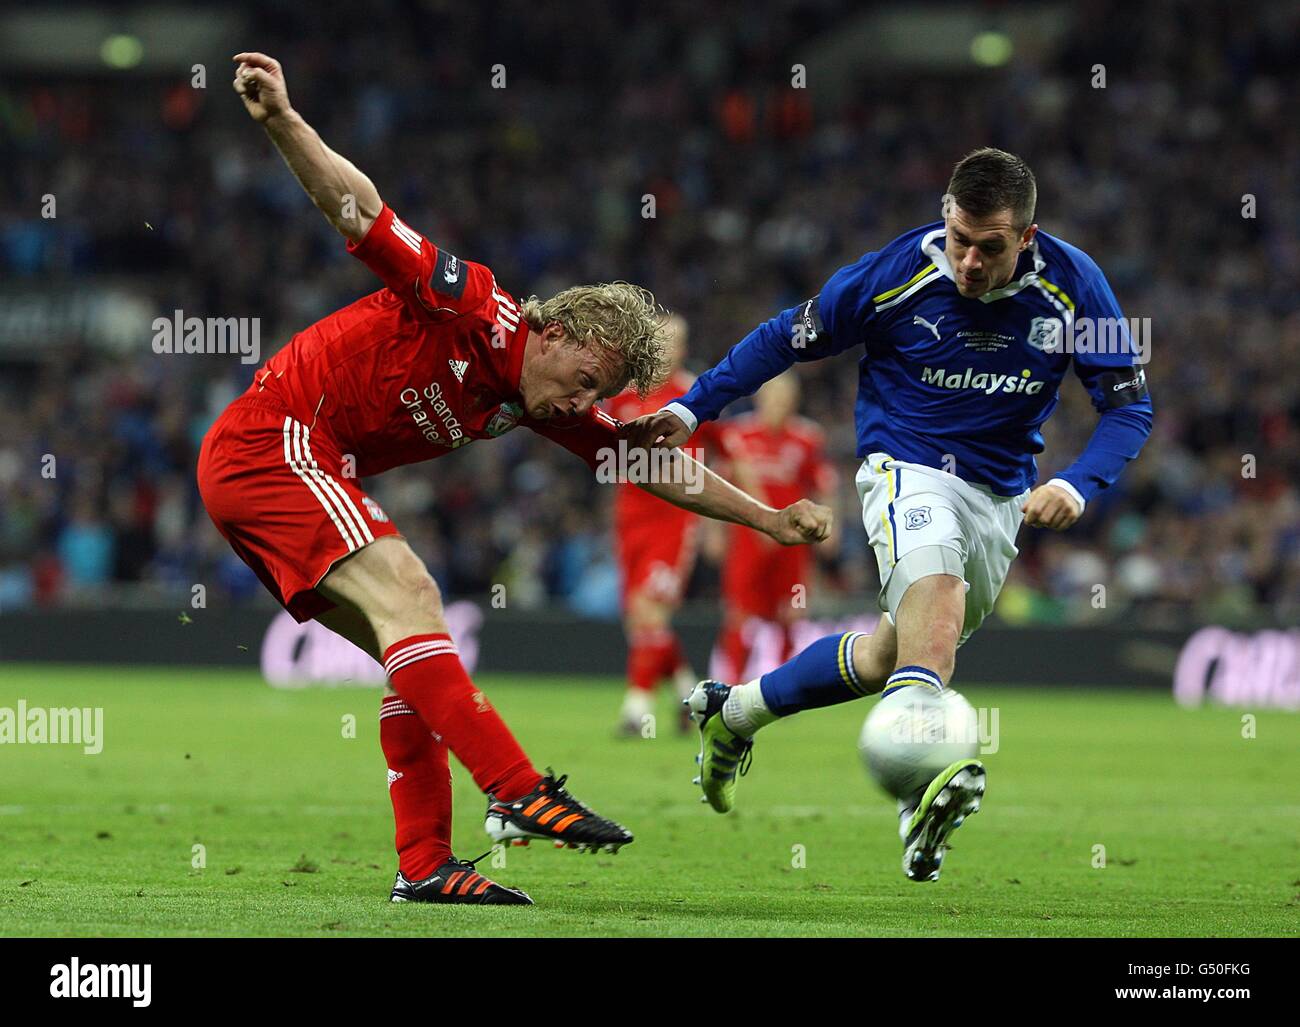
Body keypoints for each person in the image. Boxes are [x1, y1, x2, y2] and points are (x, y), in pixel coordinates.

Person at [198, 53, 832, 906]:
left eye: (601, 395)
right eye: (588, 379)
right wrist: (282, 119)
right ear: (560, 328)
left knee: (414, 658)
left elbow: (653, 466)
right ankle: (516, 786)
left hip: (280, 470)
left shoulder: (539, 402)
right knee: (415, 595)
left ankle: (424, 863)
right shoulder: (470, 303)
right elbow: (363, 215)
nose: (587, 400)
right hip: (271, 442)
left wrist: (769, 518)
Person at [623, 148, 1153, 882]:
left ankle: (734, 711)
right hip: (904, 470)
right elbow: (785, 336)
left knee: (889, 656)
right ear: (946, 214)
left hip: (1000, 497)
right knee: (937, 596)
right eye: (960, 238)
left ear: (1026, 237)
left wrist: (1080, 483)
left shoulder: (1074, 286)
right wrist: (691, 406)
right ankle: (919, 792)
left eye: (990, 247)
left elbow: (1129, 407)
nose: (968, 261)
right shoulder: (894, 274)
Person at [604, 314, 718, 736]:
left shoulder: (694, 393)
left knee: (648, 612)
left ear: (684, 348)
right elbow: (605, 449)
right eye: (662, 340)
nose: (669, 349)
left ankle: (637, 712)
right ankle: (692, 697)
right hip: (630, 521)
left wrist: (718, 523)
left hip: (674, 521)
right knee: (640, 621)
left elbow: (726, 451)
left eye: (676, 341)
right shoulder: (624, 394)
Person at [714, 372, 835, 682]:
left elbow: (822, 485)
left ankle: (782, 687)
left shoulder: (807, 437)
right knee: (740, 616)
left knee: (792, 614)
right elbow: (715, 486)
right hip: (747, 542)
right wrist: (713, 532)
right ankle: (730, 685)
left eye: (785, 399)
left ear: (794, 402)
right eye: (773, 397)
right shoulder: (738, 436)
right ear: (760, 398)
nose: (778, 405)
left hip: (792, 546)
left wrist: (831, 526)